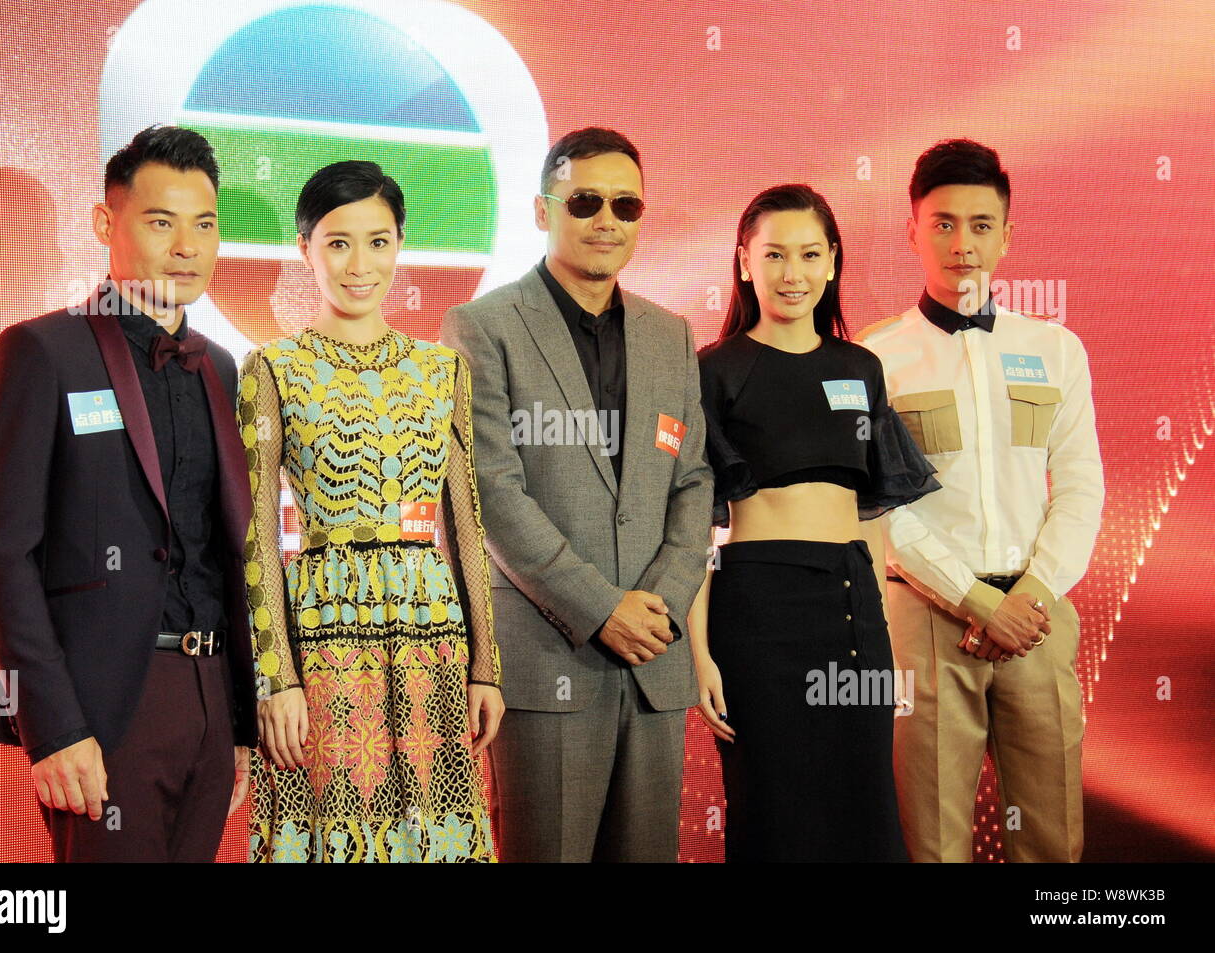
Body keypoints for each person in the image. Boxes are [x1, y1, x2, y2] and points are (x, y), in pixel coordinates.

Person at [0, 125, 257, 862]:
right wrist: (54, 726)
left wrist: (236, 720)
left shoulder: (220, 367)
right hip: (105, 705)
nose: (187, 246)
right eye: (161, 222)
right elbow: (2, 554)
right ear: (106, 223)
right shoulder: (42, 350)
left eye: (204, 224)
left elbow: (226, 549)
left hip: (208, 693)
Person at [441, 127, 712, 863]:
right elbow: (490, 492)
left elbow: (692, 480)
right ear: (542, 210)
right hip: (546, 656)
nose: (607, 220)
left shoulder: (671, 334)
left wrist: (656, 604)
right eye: (585, 200)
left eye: (626, 205)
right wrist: (601, 609)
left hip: (654, 655)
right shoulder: (482, 326)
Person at [242, 160, 503, 863]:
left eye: (379, 241)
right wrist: (278, 676)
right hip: (323, 630)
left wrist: (487, 667)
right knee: (331, 835)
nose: (361, 264)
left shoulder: (441, 368)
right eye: (337, 243)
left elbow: (468, 525)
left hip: (431, 633)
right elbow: (256, 533)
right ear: (305, 250)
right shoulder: (272, 366)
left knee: (433, 837)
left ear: (400, 243)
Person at [856, 139, 1104, 862]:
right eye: (942, 223)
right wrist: (970, 597)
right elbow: (882, 509)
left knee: (1052, 837)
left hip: (1037, 617)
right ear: (912, 231)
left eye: (980, 224)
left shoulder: (1058, 350)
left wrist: (1031, 592)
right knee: (932, 840)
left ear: (1006, 234)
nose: (962, 243)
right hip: (928, 622)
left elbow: (1082, 485)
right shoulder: (877, 357)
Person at [692, 184, 939, 862]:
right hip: (755, 613)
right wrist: (699, 652)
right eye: (773, 255)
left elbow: (872, 514)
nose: (791, 272)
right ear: (744, 262)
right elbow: (692, 527)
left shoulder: (860, 367)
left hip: (853, 608)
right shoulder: (714, 370)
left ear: (833, 261)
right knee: (773, 808)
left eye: (808, 254)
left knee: (862, 808)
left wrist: (880, 622)